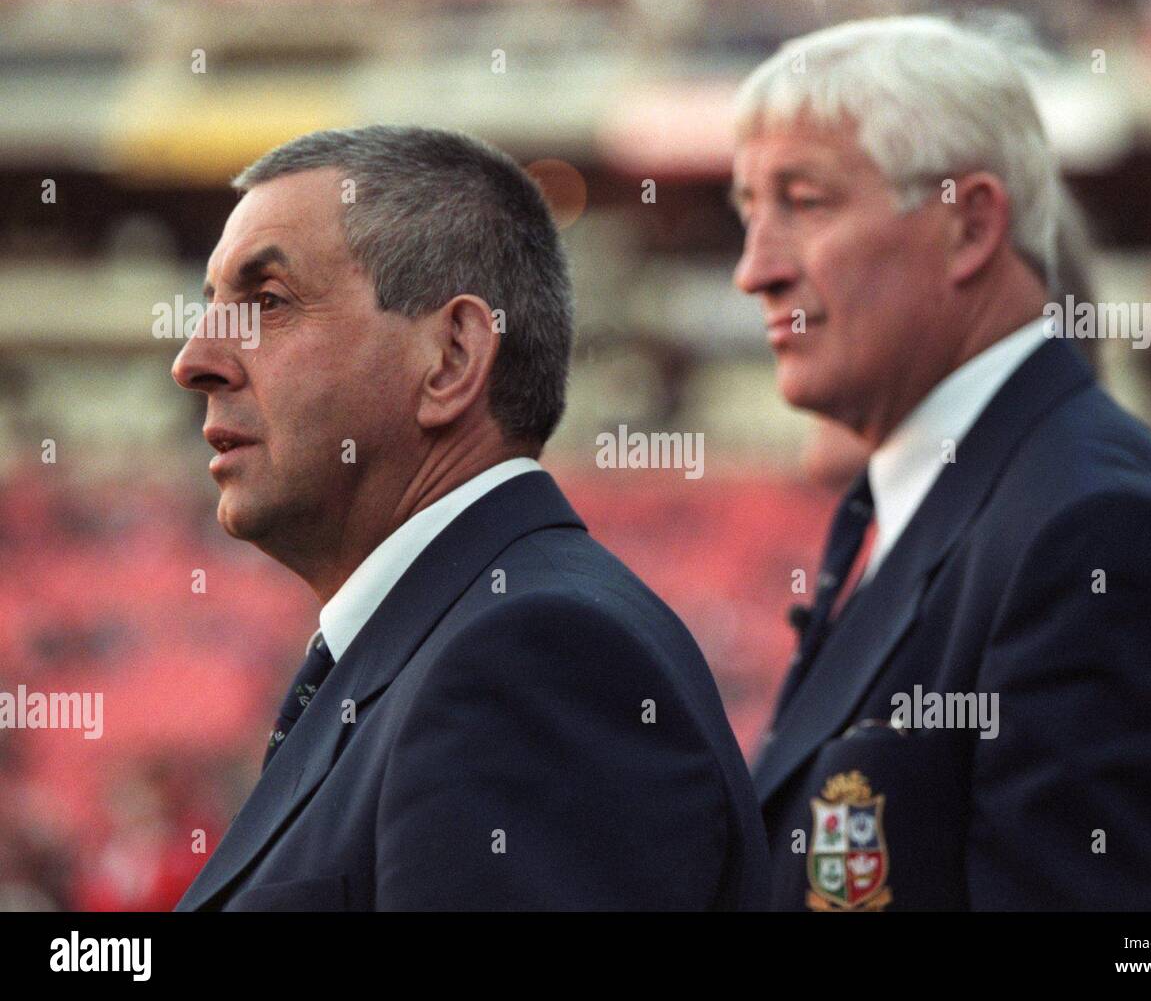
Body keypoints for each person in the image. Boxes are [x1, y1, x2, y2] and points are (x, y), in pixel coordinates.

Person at [731, 16, 1151, 910]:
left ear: (970, 226)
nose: (753, 270)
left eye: (803, 202)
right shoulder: (959, 500)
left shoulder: (1095, 531)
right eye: (748, 212)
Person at [170, 125, 769, 910]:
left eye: (268, 302)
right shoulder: (443, 647)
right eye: (211, 306)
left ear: (451, 357)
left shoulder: (531, 657)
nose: (192, 360)